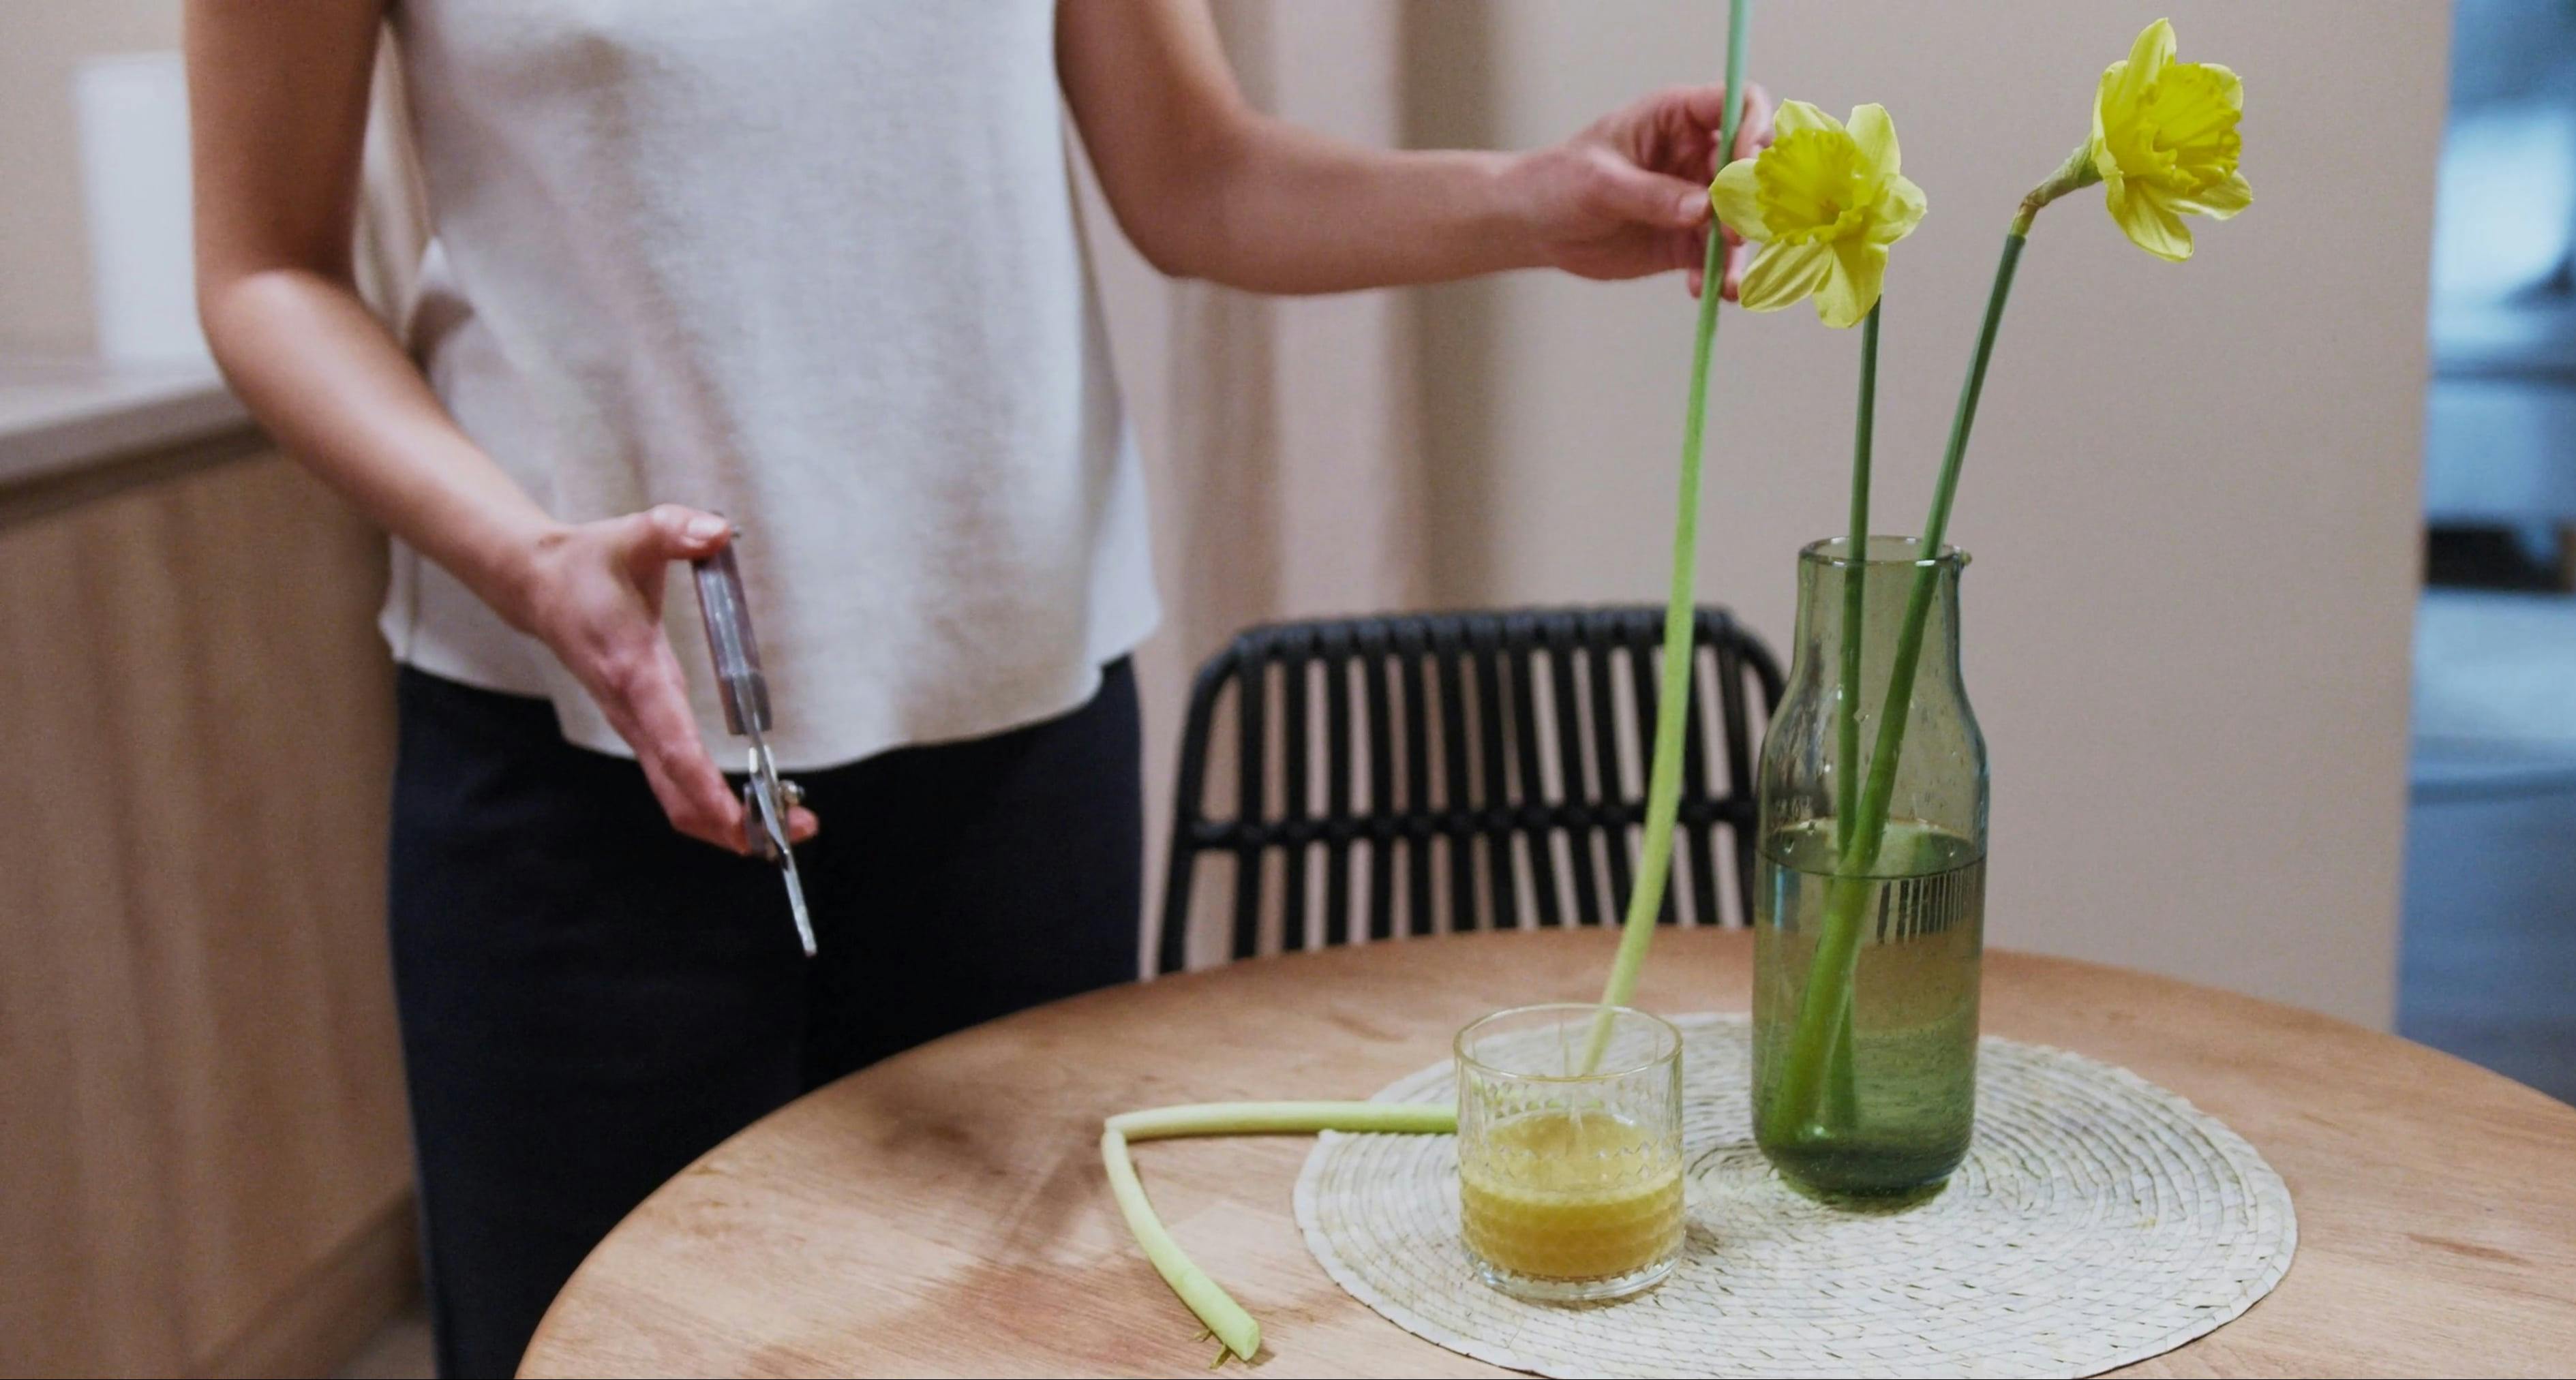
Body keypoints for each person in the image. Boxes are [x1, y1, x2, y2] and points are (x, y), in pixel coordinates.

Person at [187, 2, 1770, 1374]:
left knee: (1028, 1340)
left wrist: (1537, 198)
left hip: (1018, 734)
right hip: (576, 764)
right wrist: (528, 556)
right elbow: (266, 267)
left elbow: (1198, 175)